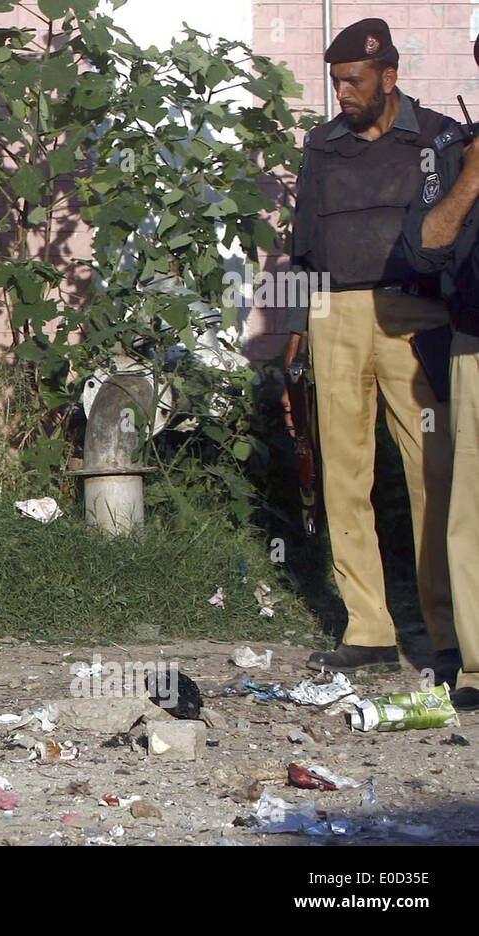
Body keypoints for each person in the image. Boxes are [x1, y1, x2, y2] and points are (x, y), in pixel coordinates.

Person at [285, 18, 460, 676]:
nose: (343, 95)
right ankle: (369, 630)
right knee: (345, 476)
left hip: (415, 312)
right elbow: (303, 244)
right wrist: (298, 333)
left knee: (432, 478)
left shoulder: (438, 136)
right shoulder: (321, 145)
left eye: (354, 81)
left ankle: (449, 633)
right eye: (336, 83)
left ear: (389, 77)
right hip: (335, 313)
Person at [398, 49, 479, 709]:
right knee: (471, 515)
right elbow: (423, 245)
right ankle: (478, 669)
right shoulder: (449, 151)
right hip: (476, 344)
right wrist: (473, 178)